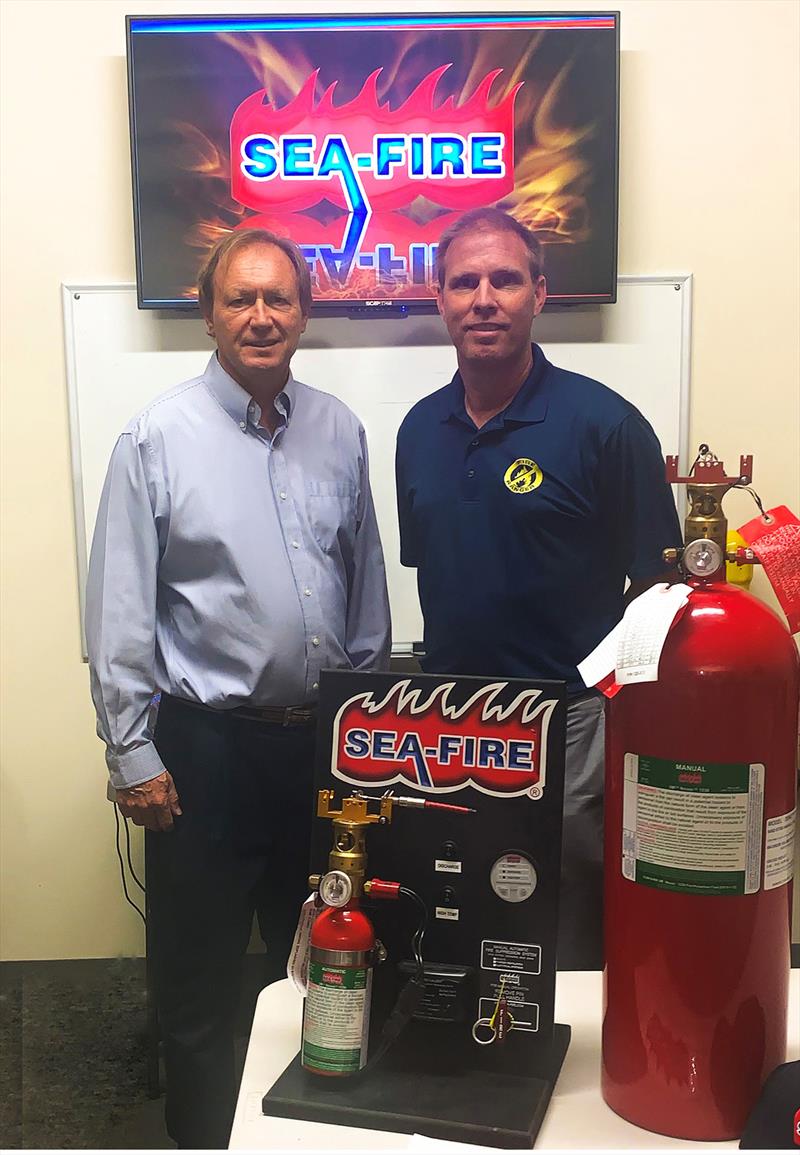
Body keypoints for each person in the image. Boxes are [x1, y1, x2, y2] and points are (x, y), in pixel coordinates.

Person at [86, 228, 391, 1148]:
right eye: (240, 300)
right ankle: (205, 1140)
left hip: (320, 752)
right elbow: (120, 608)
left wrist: (366, 732)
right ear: (208, 312)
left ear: (305, 312)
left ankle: (316, 1133)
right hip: (205, 755)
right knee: (200, 982)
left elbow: (365, 586)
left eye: (279, 299)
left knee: (331, 960)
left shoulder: (340, 429)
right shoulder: (157, 437)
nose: (261, 317)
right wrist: (132, 750)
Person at [395, 208, 681, 970]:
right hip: (452, 726)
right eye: (464, 282)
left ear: (539, 294)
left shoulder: (607, 426)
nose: (483, 297)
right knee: (457, 911)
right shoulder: (418, 431)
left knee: (570, 918)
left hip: (572, 724)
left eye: (504, 279)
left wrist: (610, 710)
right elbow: (436, 570)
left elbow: (659, 591)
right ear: (441, 300)